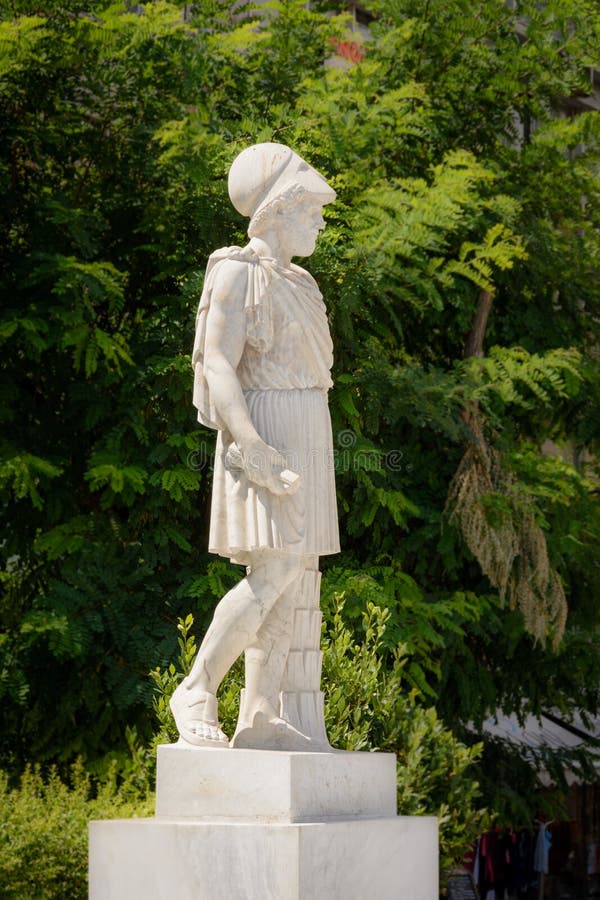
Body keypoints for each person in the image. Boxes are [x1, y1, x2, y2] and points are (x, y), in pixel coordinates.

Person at [170, 143, 340, 749]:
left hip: (307, 425)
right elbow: (218, 362)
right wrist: (252, 444)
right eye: (312, 210)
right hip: (264, 424)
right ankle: (197, 686)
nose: (321, 220)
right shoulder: (237, 270)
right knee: (274, 572)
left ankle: (260, 714)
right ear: (280, 209)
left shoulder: (300, 280)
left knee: (294, 579)